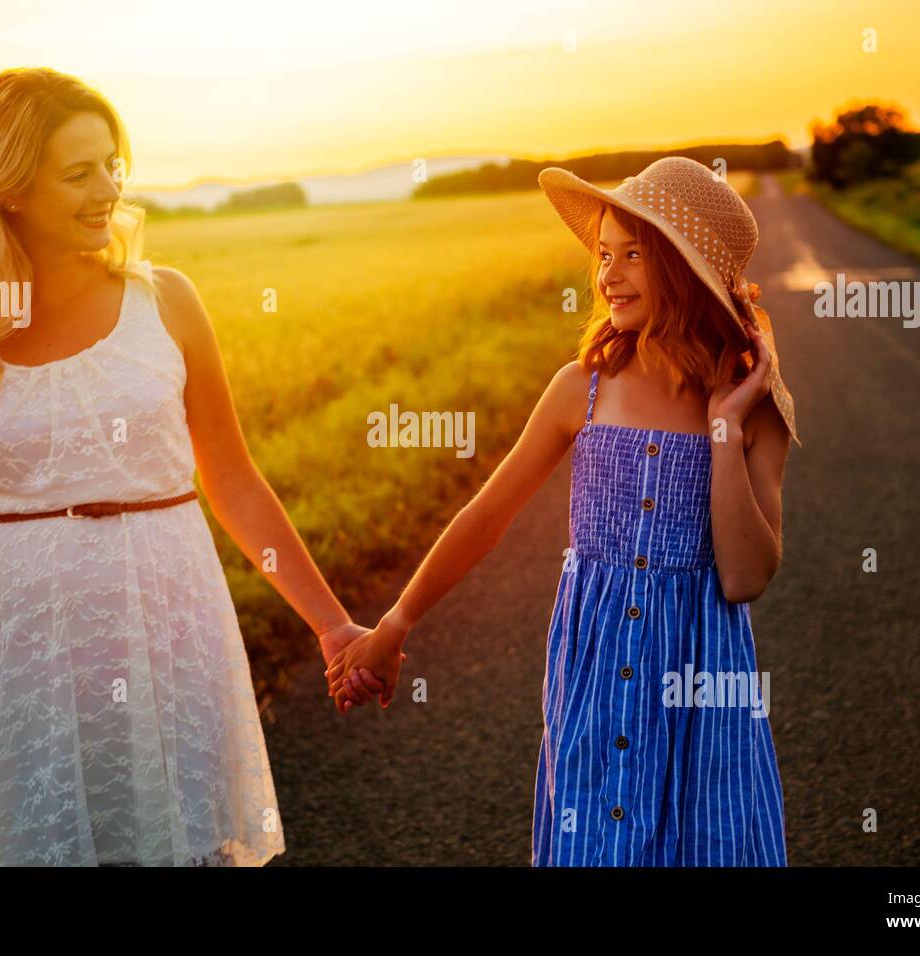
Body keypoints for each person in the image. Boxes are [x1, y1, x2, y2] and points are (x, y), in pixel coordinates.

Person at [0, 67, 380, 866]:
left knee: (178, 842)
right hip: (26, 647)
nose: (108, 188)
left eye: (112, 164)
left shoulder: (168, 303)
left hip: (170, 618)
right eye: (78, 172)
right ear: (8, 188)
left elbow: (232, 479)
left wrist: (331, 626)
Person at [327, 157, 799, 865]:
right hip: (597, 678)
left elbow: (745, 578)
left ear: (689, 268)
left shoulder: (757, 410)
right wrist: (393, 626)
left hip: (706, 694)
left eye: (634, 255)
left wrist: (723, 427)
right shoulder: (582, 388)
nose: (608, 274)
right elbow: (486, 517)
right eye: (603, 254)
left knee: (710, 838)